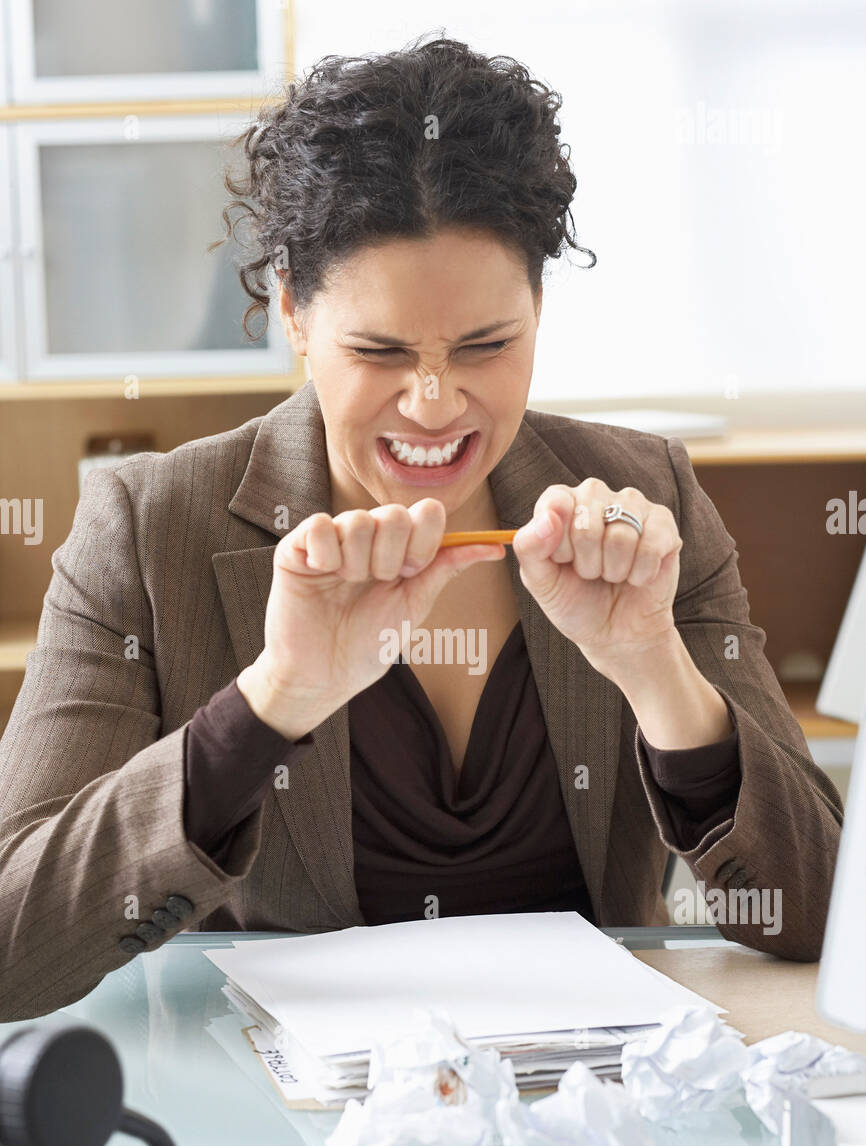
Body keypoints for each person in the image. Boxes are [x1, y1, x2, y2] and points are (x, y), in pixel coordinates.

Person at [0, 36, 843, 1022]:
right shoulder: (150, 529)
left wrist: (652, 666)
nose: (435, 404)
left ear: (538, 303)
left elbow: (822, 914)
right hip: (281, 1137)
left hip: (591, 1122)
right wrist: (272, 699)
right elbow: (13, 947)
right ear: (291, 310)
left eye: (485, 345)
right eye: (380, 351)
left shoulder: (639, 494)